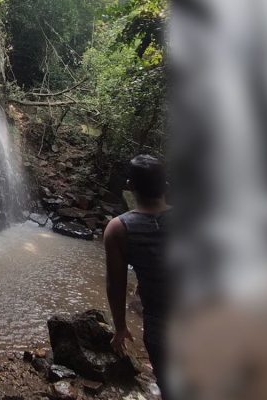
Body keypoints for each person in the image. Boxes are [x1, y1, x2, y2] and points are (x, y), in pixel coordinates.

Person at [104, 154, 171, 397]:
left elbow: (115, 284)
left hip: (161, 328)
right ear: (166, 185)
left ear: (130, 186)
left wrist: (120, 327)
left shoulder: (118, 229)